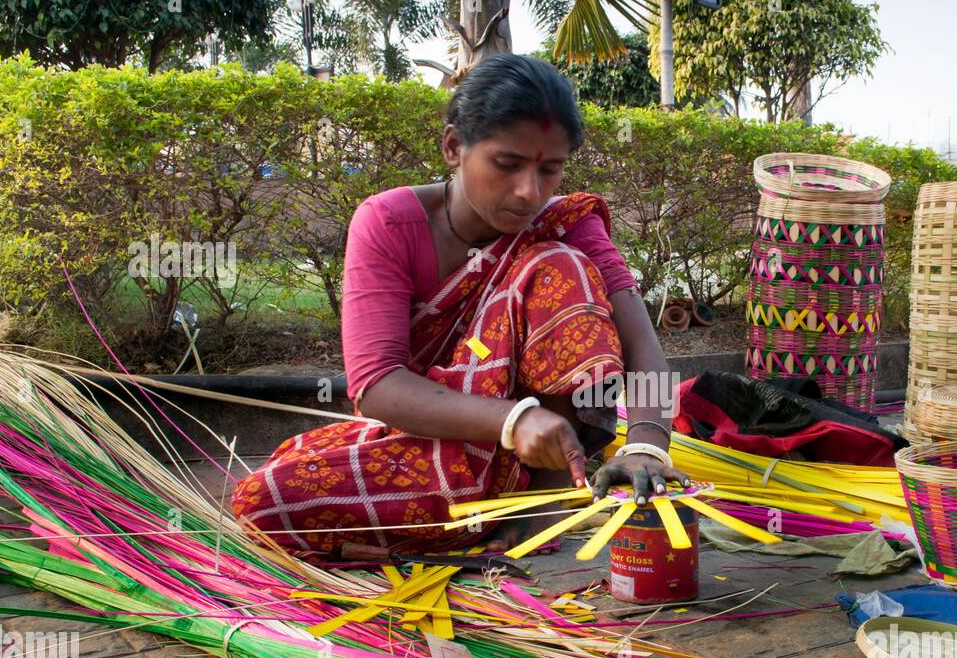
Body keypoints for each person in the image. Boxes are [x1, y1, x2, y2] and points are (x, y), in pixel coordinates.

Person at [231, 54, 687, 556]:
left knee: (560, 264)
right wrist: (513, 422)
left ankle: (546, 500)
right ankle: (464, 528)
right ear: (453, 147)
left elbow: (642, 343)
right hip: (440, 441)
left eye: (549, 170)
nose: (528, 192)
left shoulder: (568, 222)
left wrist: (647, 444)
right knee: (262, 503)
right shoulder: (388, 223)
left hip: (547, 454)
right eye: (507, 165)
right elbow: (377, 385)